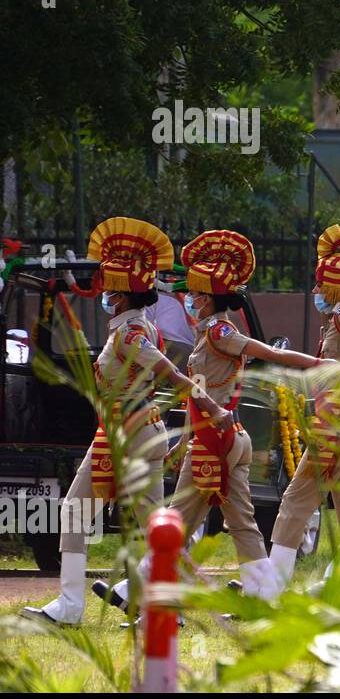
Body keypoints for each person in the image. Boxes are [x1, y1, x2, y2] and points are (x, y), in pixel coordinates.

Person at [24, 218, 230, 625]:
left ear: (120, 295)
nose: (103, 293)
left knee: (143, 526)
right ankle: (74, 606)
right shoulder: (138, 327)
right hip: (123, 433)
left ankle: (171, 606)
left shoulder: (131, 334)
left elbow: (172, 372)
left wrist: (215, 409)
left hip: (132, 435)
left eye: (108, 288)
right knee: (86, 514)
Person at [260, 225, 340, 600]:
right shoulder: (335, 321)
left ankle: (271, 588)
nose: (314, 292)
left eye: (318, 286)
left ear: (332, 287)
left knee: (296, 500)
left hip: (335, 424)